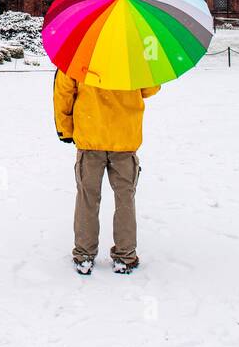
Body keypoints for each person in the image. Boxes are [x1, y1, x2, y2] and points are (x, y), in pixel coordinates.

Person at [53, 70, 160, 275]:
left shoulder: (79, 54)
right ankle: (125, 255)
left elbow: (64, 91)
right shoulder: (133, 55)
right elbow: (150, 89)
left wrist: (65, 129)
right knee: (125, 199)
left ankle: (84, 254)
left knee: (87, 197)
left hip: (90, 135)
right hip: (124, 137)